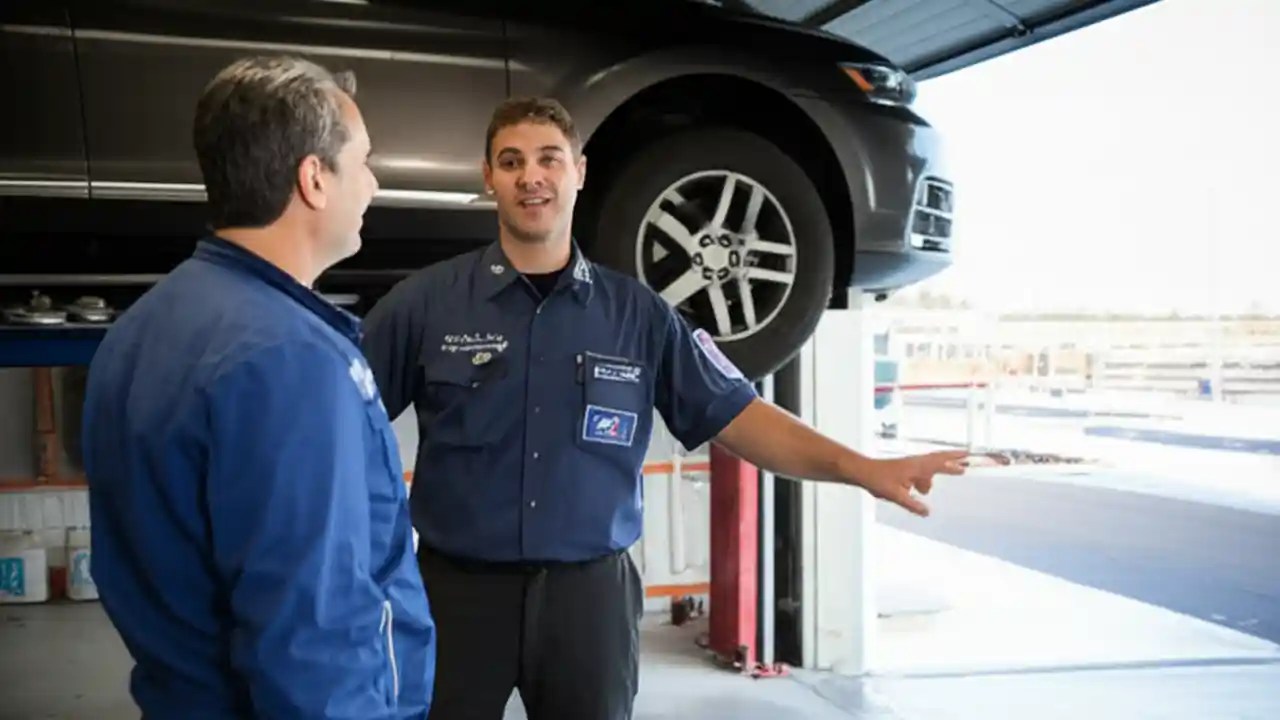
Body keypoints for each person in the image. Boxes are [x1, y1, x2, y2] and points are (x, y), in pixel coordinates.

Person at [360, 97, 967, 720]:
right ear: (488, 177)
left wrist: (862, 467)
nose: (530, 177)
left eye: (549, 159)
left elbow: (741, 416)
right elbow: (342, 418)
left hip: (588, 601)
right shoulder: (426, 305)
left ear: (580, 172)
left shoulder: (639, 317)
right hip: (455, 594)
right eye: (510, 161)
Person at [81, 55, 435, 719]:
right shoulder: (291, 359)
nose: (374, 184)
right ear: (314, 179)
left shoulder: (141, 329)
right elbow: (313, 628)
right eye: (362, 162)